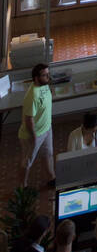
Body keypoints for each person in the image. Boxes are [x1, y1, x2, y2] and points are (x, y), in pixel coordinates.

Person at [18, 61, 54, 189]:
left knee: (48, 154)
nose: (48, 77)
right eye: (45, 75)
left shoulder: (45, 85)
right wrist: (33, 137)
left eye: (48, 74)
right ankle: (23, 186)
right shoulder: (32, 95)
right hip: (33, 134)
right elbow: (29, 120)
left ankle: (51, 178)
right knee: (27, 161)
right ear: (36, 78)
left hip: (46, 129)